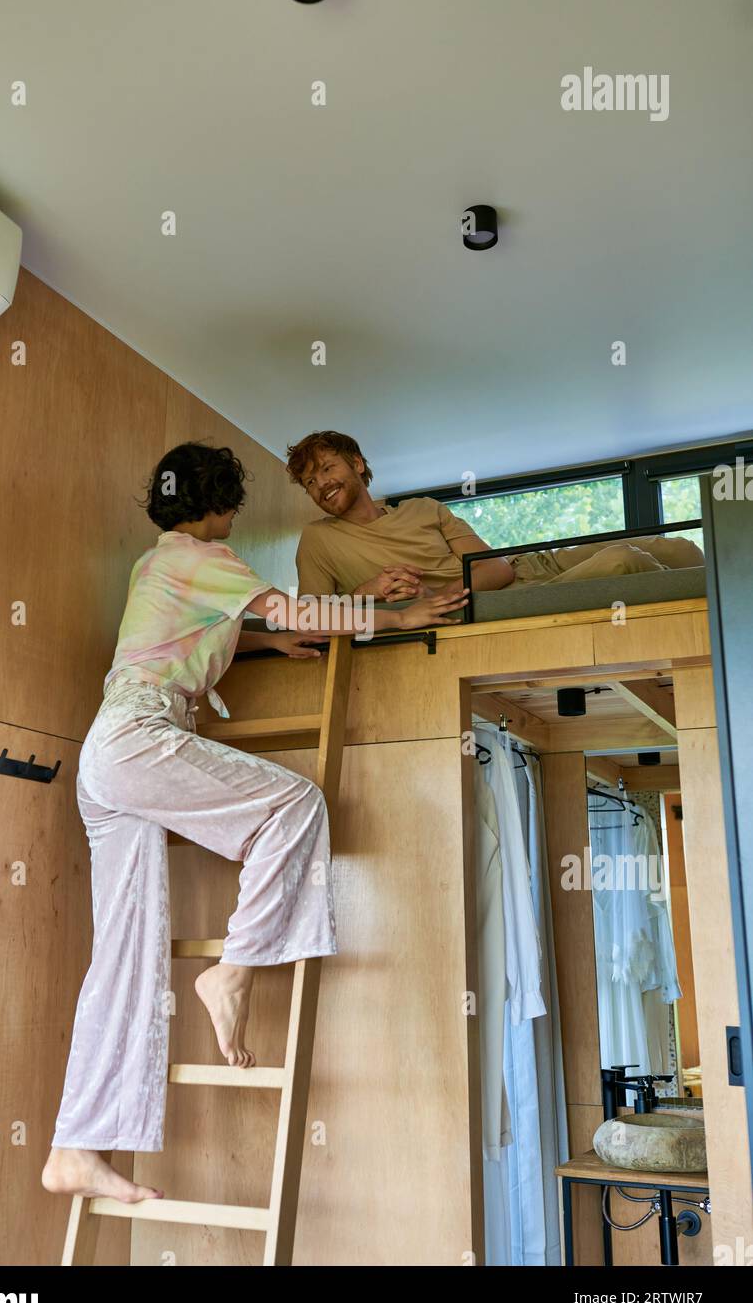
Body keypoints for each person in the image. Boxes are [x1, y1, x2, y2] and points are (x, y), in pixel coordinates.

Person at [42, 441, 465, 1205]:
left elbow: (203, 635)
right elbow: (297, 605)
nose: (235, 518)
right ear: (217, 503)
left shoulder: (159, 563)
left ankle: (74, 1148)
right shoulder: (200, 555)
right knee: (296, 804)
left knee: (123, 956)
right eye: (234, 504)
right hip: (140, 736)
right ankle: (233, 972)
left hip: (109, 757)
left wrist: (269, 641)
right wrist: (402, 610)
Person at [285, 432, 704, 602]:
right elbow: (311, 618)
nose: (320, 484)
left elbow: (498, 568)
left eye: (327, 469)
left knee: (679, 545)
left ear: (357, 464)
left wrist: (440, 591)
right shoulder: (319, 539)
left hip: (525, 569)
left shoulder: (423, 508)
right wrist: (367, 591)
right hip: (490, 601)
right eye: (309, 482)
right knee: (623, 561)